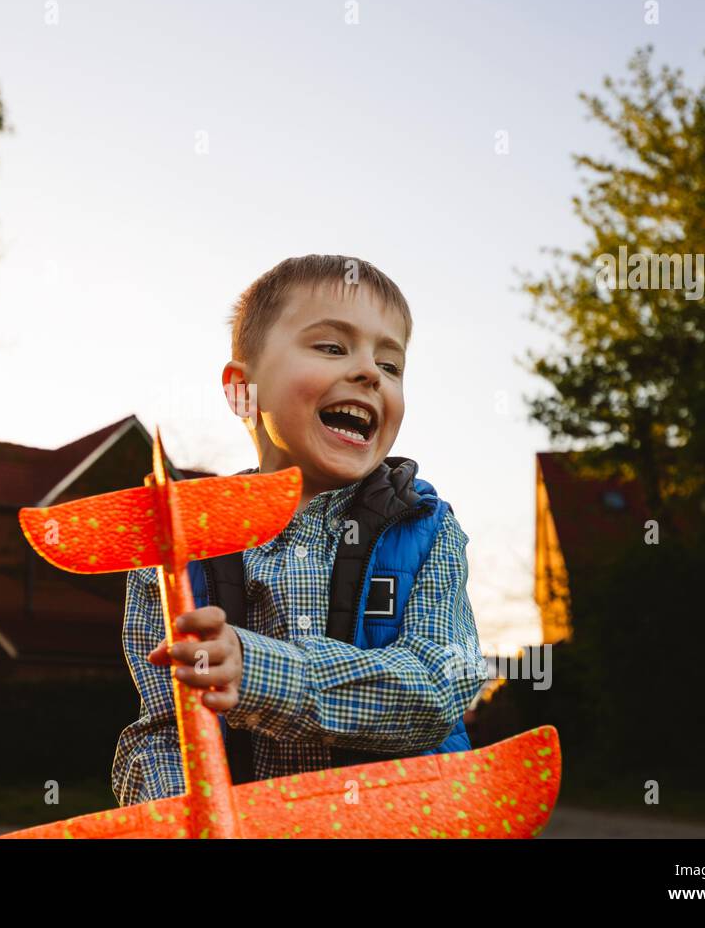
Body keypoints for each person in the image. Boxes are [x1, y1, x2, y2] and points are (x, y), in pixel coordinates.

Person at [111, 254, 485, 807]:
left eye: (391, 365)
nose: (368, 373)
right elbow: (163, 732)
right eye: (332, 348)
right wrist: (185, 811)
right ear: (243, 391)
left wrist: (259, 670)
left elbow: (439, 687)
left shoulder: (427, 528)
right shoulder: (177, 549)